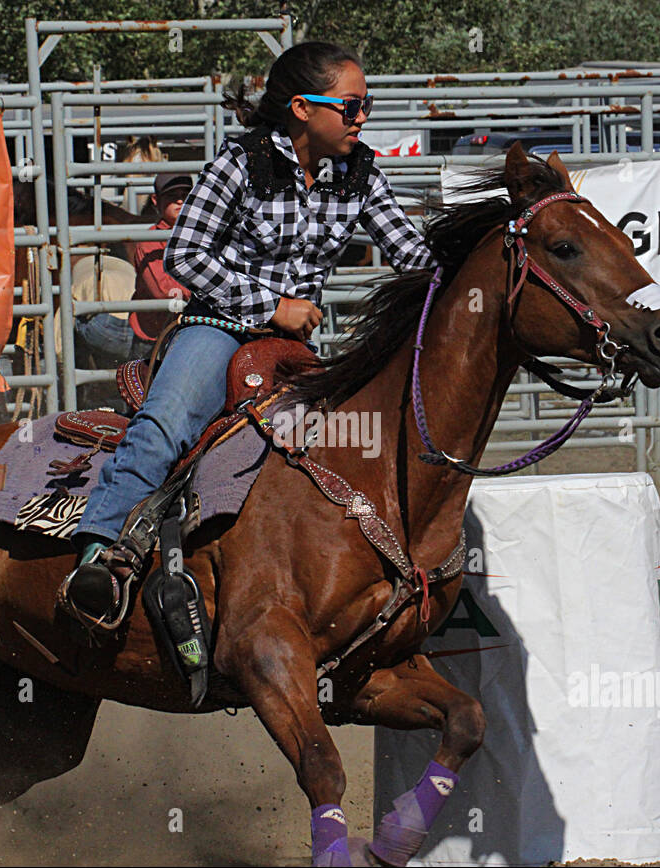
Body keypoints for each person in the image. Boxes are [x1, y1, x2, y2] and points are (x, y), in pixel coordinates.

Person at [58, 40, 436, 630]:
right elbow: (186, 255)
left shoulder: (359, 175)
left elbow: (413, 254)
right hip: (218, 329)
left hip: (293, 353)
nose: (364, 117)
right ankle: (103, 557)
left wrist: (490, 246)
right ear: (303, 108)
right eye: (352, 105)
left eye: (367, 105)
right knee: (164, 423)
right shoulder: (239, 164)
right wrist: (271, 305)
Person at [128, 173, 193, 342]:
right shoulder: (149, 242)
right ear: (156, 200)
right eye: (172, 196)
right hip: (154, 335)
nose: (180, 201)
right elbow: (166, 291)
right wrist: (205, 286)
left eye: (185, 195)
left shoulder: (201, 234)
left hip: (188, 327)